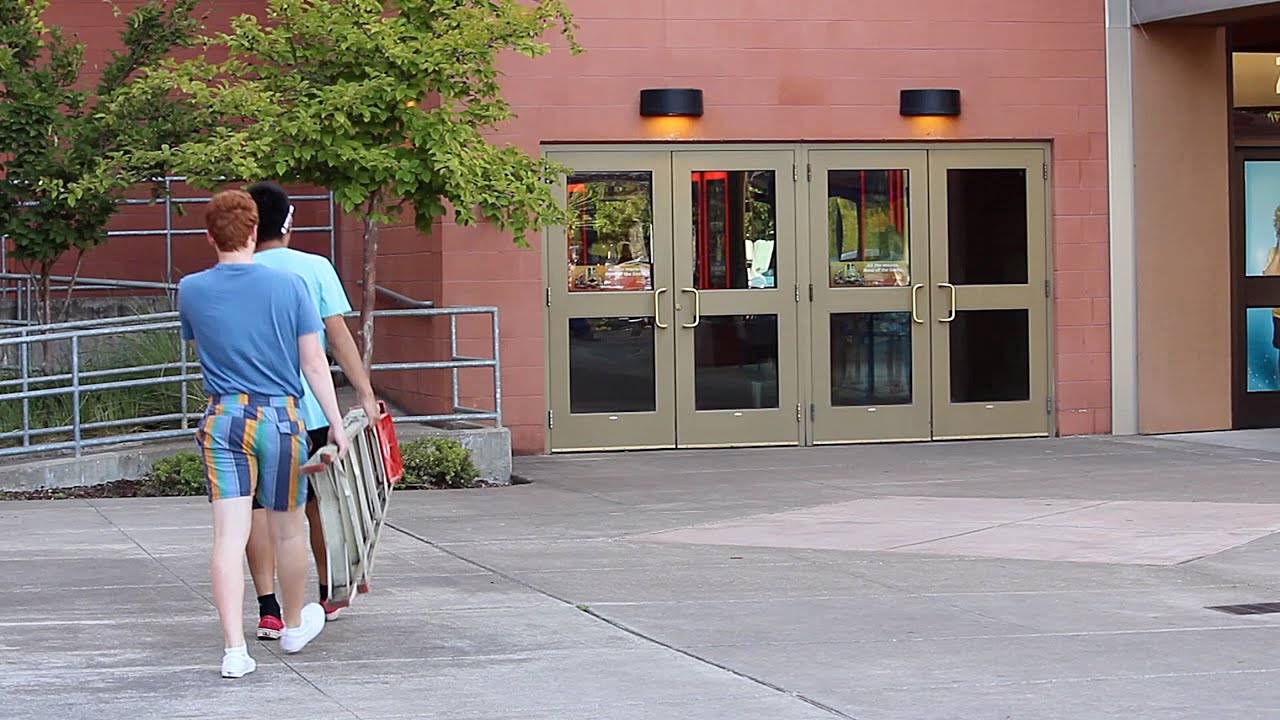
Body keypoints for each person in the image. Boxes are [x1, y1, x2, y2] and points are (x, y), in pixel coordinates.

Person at [178, 189, 350, 679]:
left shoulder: (191, 288)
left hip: (224, 417)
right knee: (288, 527)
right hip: (281, 417)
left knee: (227, 537)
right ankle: (294, 625)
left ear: (210, 235)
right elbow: (314, 363)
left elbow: (196, 340)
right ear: (256, 231)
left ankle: (235, 649)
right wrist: (336, 425)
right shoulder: (291, 286)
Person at [242, 181, 382, 640]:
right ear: (287, 221)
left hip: (249, 411)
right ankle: (327, 592)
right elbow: (337, 336)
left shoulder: (233, 271)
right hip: (310, 410)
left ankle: (267, 608)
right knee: (320, 503)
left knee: (259, 508)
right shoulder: (313, 268)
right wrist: (362, 392)